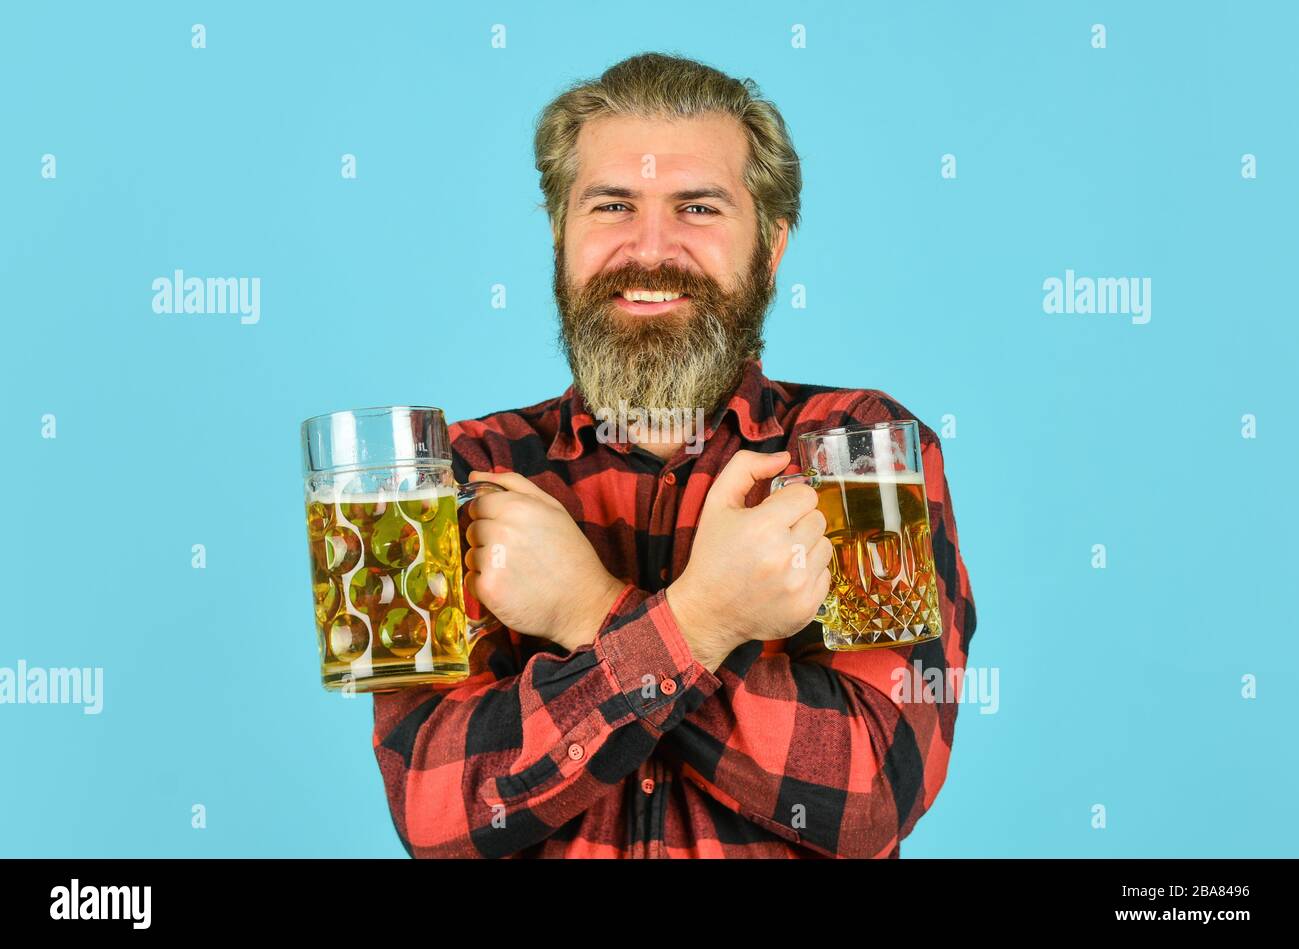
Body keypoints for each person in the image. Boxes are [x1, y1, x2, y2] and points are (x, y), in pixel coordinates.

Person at [371, 52, 977, 858]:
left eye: (697, 207)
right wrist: (700, 625)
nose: (650, 247)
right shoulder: (455, 471)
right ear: (559, 235)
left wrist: (595, 611)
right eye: (613, 205)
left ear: (771, 247)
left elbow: (869, 790)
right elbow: (439, 808)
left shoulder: (863, 451)